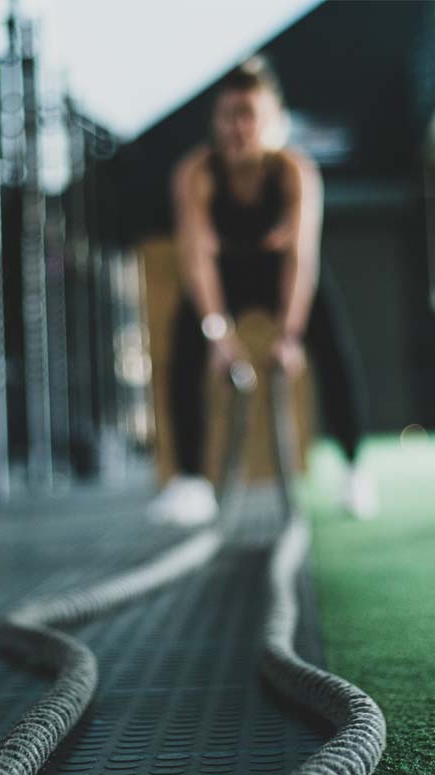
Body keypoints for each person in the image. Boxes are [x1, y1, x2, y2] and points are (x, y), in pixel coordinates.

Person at [148, 57, 377, 525]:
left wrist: (290, 337)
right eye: (228, 116)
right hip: (225, 275)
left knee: (333, 345)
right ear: (215, 122)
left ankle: (354, 469)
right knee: (185, 341)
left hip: (280, 275)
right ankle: (191, 482)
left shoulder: (294, 172)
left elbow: (301, 259)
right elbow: (197, 260)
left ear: (273, 121)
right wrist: (218, 335)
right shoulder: (196, 174)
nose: (237, 128)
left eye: (248, 115)